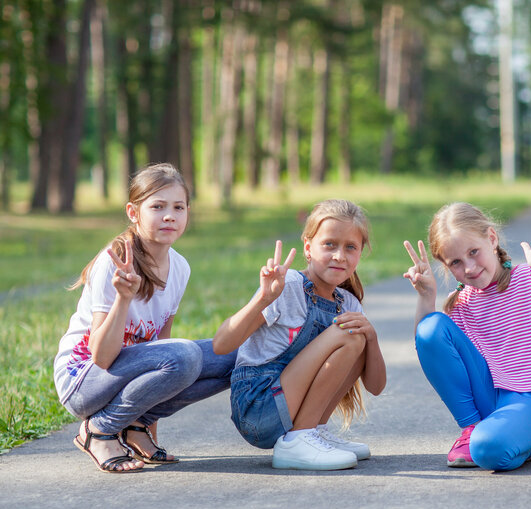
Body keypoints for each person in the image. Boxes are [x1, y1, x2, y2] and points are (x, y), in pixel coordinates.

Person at [54, 163, 236, 473]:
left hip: (124, 375)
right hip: (83, 380)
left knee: (232, 356)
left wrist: (146, 424)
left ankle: (134, 426)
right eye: (158, 206)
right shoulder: (113, 261)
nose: (170, 215)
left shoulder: (180, 267)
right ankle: (98, 432)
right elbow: (101, 357)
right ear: (133, 212)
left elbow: (159, 348)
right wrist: (124, 298)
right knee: (186, 354)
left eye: (179, 207)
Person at [403, 202, 531, 471]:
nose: (469, 267)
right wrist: (426, 297)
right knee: (431, 327)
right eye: (456, 262)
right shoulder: (459, 303)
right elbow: (428, 347)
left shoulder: (528, 279)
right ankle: (472, 428)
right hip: (488, 397)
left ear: (492, 239)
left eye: (473, 252)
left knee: (486, 450)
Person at [213, 199, 386, 471]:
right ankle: (299, 440)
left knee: (356, 332)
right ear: (308, 247)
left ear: (360, 253)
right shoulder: (289, 286)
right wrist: (262, 299)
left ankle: (312, 431)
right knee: (348, 333)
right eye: (329, 244)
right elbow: (221, 344)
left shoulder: (348, 303)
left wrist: (372, 338)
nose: (339, 255)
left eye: (350, 247)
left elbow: (376, 387)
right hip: (258, 406)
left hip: (286, 406)